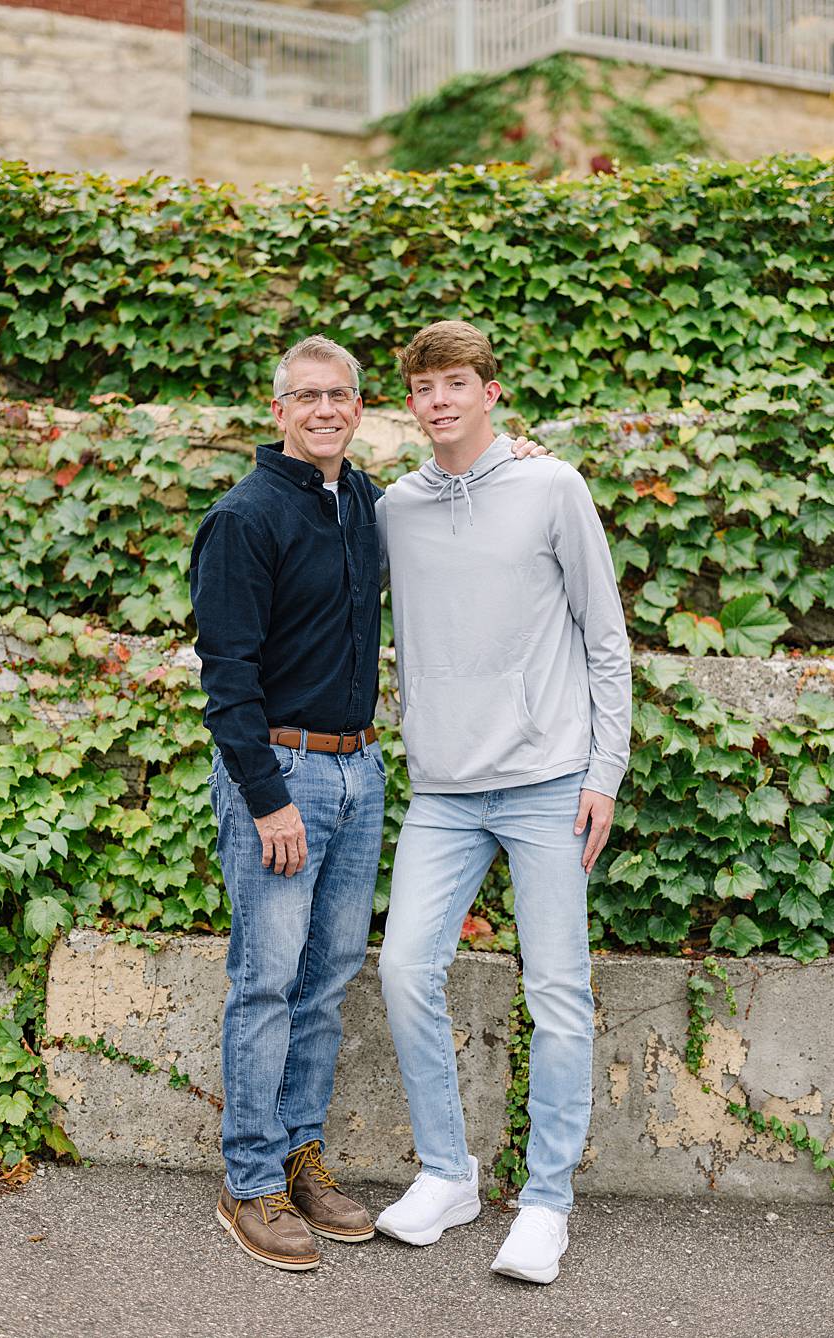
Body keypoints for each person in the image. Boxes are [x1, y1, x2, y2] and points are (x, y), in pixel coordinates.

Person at [373, 320, 631, 1286]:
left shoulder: (552, 486)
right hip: (444, 791)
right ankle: (448, 1174)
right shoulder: (395, 507)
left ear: (490, 391)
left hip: (549, 780)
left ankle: (547, 1203)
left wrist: (604, 771)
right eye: (423, 386)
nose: (438, 400)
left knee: (557, 992)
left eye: (456, 383)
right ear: (412, 401)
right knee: (404, 969)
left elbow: (605, 637)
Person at [188, 335, 390, 1272]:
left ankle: (301, 1155)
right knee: (267, 980)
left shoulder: (367, 503)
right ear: (278, 411)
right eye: (306, 396)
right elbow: (226, 678)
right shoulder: (244, 517)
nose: (324, 410)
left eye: (338, 395)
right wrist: (267, 800)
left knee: (328, 976)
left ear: (359, 407)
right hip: (282, 774)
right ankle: (249, 1178)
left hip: (359, 771)